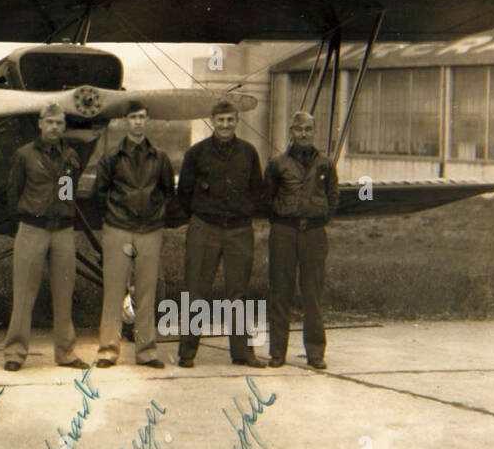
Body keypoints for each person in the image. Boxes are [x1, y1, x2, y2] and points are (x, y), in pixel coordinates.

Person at [175, 99, 267, 369]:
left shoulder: (249, 153)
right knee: (196, 290)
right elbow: (184, 193)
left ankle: (242, 352)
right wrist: (202, 214)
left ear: (237, 121)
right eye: (220, 120)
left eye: (230, 120)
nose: (225, 125)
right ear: (212, 122)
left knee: (238, 292)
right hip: (205, 228)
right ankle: (187, 352)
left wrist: (243, 212)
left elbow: (256, 190)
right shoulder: (196, 153)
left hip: (239, 230)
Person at [3, 103, 89, 372]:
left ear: (63, 126)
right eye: (50, 122)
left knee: (64, 294)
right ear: (40, 124)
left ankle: (66, 352)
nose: (54, 127)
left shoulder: (70, 156)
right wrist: (29, 218)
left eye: (59, 123)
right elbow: (13, 194)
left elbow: (67, 193)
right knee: (24, 294)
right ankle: (15, 353)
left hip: (62, 231)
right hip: (32, 229)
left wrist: (62, 212)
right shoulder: (24, 156)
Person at [93, 101, 176, 369]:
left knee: (146, 291)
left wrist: (155, 215)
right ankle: (108, 349)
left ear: (147, 121)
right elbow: (99, 193)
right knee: (114, 290)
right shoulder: (111, 158)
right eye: (133, 117)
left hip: (149, 230)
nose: (138, 122)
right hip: (117, 228)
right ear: (126, 121)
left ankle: (146, 350)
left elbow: (167, 192)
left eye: (142, 117)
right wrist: (115, 215)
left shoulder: (160, 157)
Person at [265, 110, 339, 370]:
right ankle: (277, 352)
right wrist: (285, 217)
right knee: (280, 291)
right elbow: (268, 197)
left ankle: (315, 352)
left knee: (313, 293)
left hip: (314, 234)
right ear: (291, 133)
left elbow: (333, 198)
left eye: (308, 129)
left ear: (314, 132)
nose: (304, 134)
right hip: (284, 232)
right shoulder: (277, 164)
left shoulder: (325, 165)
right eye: (299, 130)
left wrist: (318, 218)